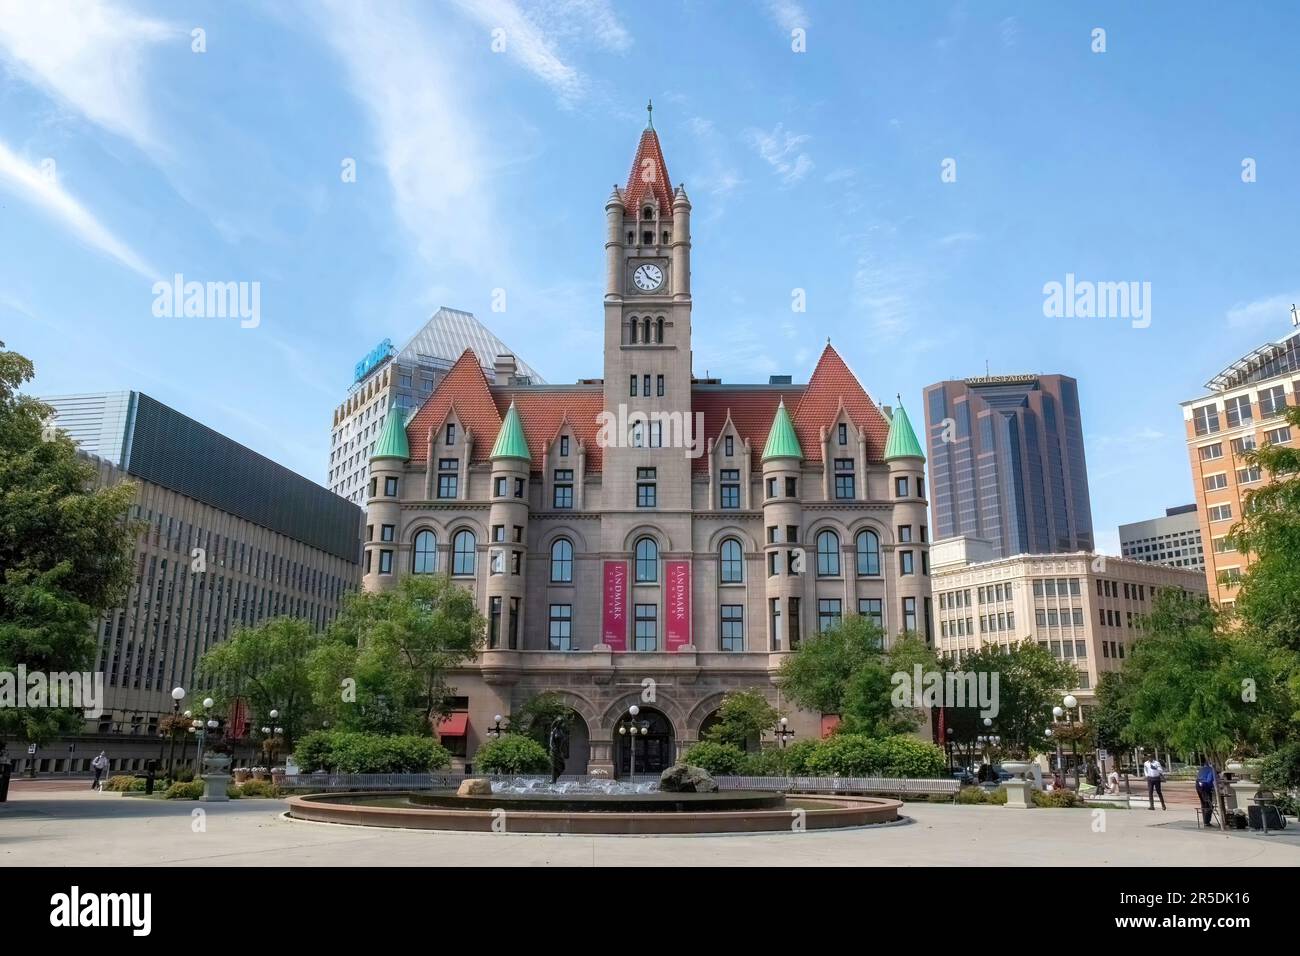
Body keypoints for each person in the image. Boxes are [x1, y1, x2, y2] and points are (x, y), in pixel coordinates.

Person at [1195, 759, 1217, 827]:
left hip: (1198, 785)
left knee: (1203, 803)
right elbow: (1209, 781)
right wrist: (1212, 788)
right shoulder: (1211, 770)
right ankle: (1207, 822)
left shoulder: (1202, 769)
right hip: (1205, 786)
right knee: (1208, 804)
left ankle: (1205, 821)